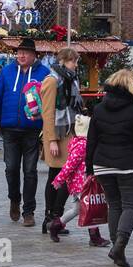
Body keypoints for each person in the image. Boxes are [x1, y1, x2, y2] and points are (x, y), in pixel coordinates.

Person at [86, 68, 133, 267]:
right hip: (131, 165)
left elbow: (91, 140)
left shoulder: (99, 109)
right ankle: (120, 244)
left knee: (114, 205)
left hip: (103, 166)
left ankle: (118, 249)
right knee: (131, 205)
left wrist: (89, 168)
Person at [0, 37, 50, 227]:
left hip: (32, 131)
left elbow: (49, 104)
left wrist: (45, 128)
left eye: (25, 53)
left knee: (30, 171)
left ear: (33, 55)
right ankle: (14, 198)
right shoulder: (6, 73)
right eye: (18, 52)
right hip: (9, 130)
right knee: (11, 168)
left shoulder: (44, 74)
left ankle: (28, 211)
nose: (21, 55)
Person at [40, 46, 84, 234]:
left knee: (65, 177)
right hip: (57, 135)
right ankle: (51, 218)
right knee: (56, 176)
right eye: (73, 61)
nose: (75, 65)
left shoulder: (71, 80)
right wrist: (50, 140)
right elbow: (47, 113)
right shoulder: (52, 81)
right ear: (64, 61)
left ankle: (55, 218)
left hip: (70, 133)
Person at [47, 114, 108, 247]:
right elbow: (69, 165)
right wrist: (59, 179)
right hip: (81, 184)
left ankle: (55, 225)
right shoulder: (82, 145)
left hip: (81, 183)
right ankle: (94, 237)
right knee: (89, 208)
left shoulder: (81, 143)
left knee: (77, 209)